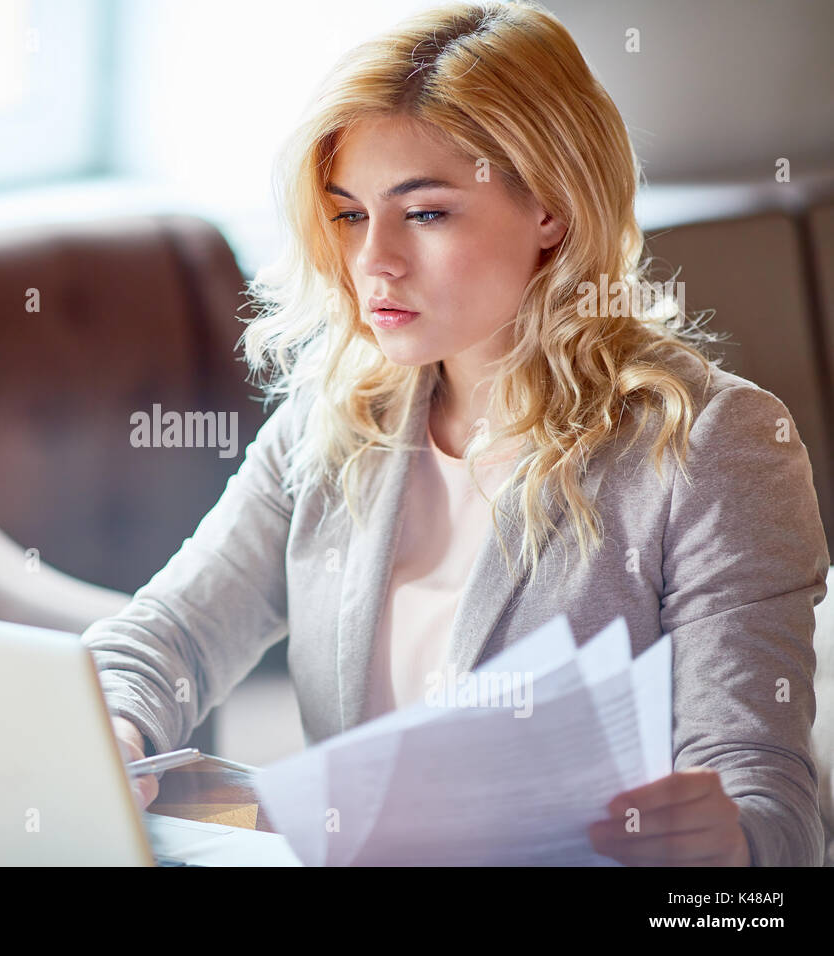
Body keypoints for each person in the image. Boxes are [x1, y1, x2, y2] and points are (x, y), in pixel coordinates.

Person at [81, 0, 830, 866]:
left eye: (425, 213)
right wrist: (117, 724)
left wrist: (729, 843)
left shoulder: (714, 444)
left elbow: (769, 802)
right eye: (351, 214)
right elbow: (169, 634)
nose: (374, 263)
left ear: (551, 209)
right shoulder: (336, 419)